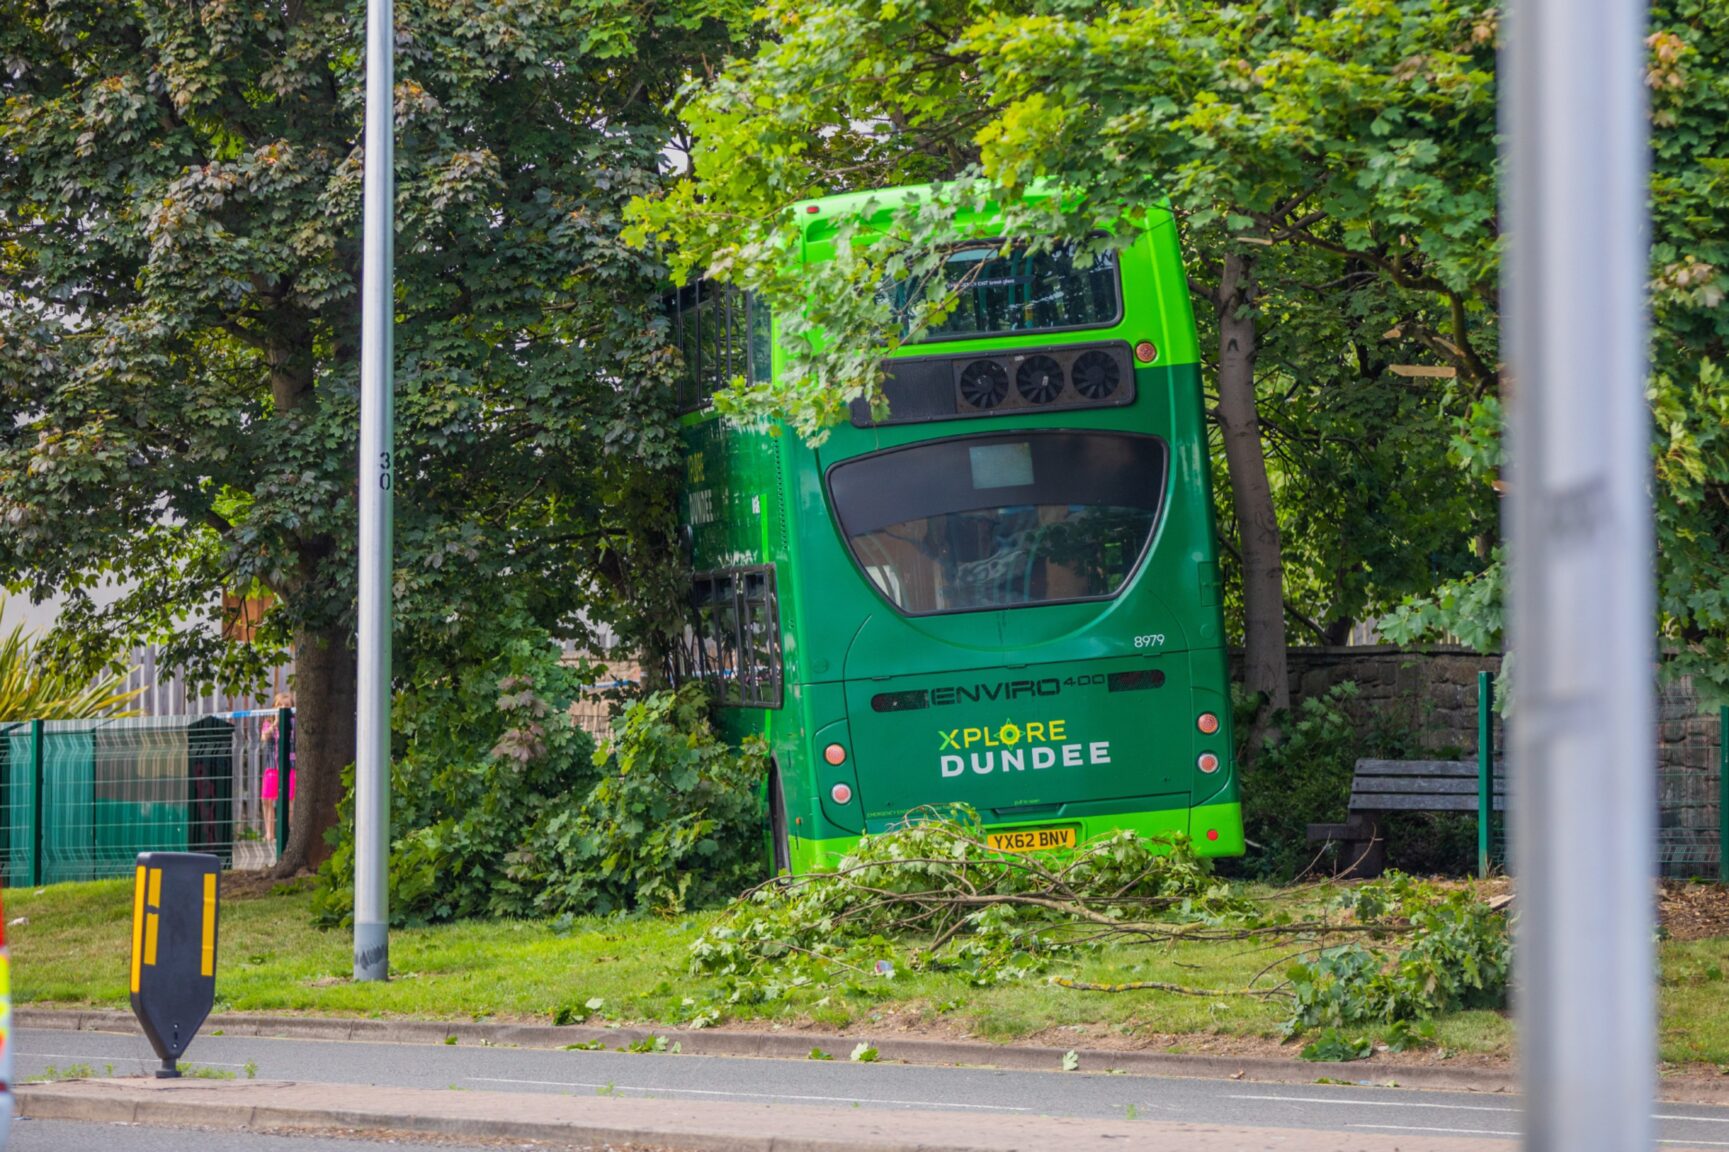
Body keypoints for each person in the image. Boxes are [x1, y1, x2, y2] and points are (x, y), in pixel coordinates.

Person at [260, 691, 295, 845]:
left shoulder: (295, 723)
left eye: (286, 706)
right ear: (274, 707)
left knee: (290, 801)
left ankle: (287, 831)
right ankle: (269, 833)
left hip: (291, 767)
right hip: (272, 767)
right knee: (267, 800)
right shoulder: (268, 722)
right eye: (280, 705)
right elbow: (264, 737)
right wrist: (275, 724)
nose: (283, 708)